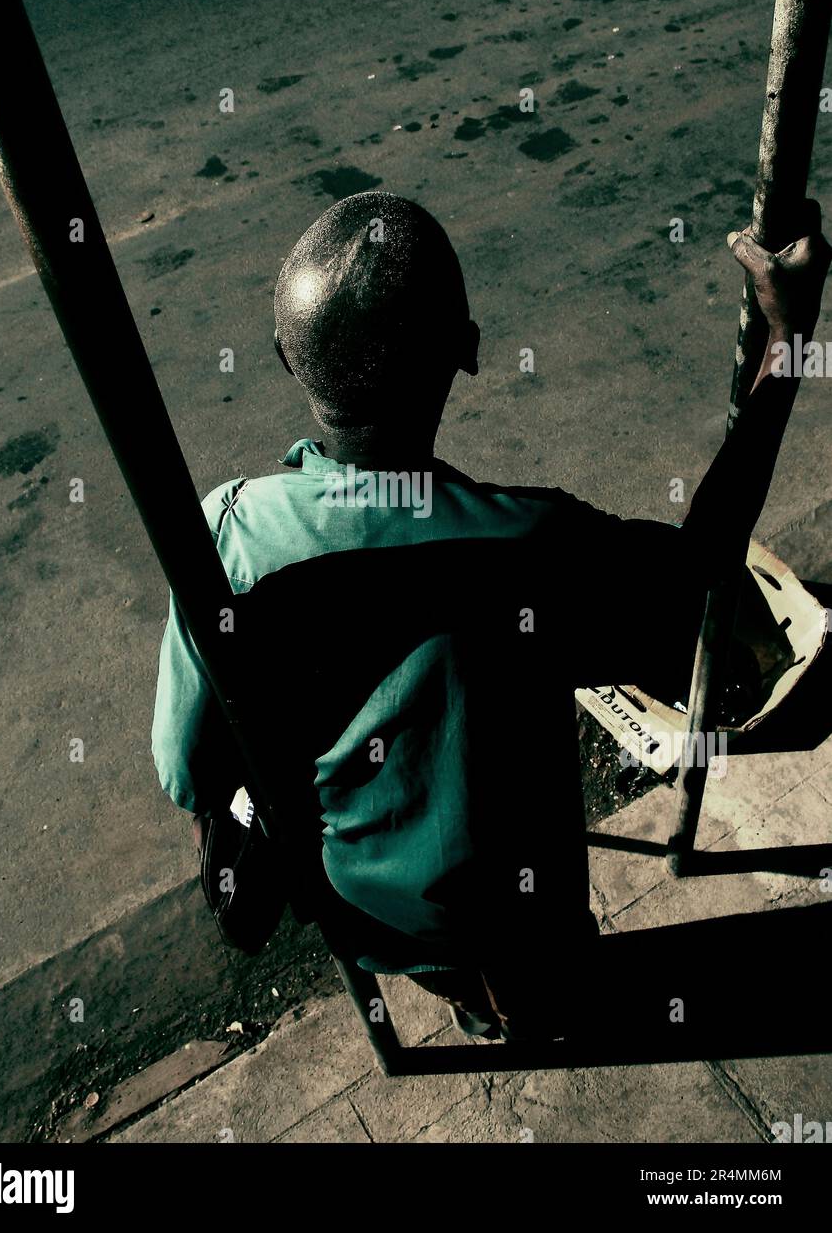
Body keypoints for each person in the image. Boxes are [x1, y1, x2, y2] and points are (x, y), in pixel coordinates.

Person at [152, 190, 830, 1040]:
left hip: (361, 918)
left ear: (289, 360)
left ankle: (477, 999)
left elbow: (186, 775)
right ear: (464, 354)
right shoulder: (537, 543)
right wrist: (786, 342)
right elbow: (702, 567)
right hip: (518, 933)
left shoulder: (225, 538)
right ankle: (513, 1004)